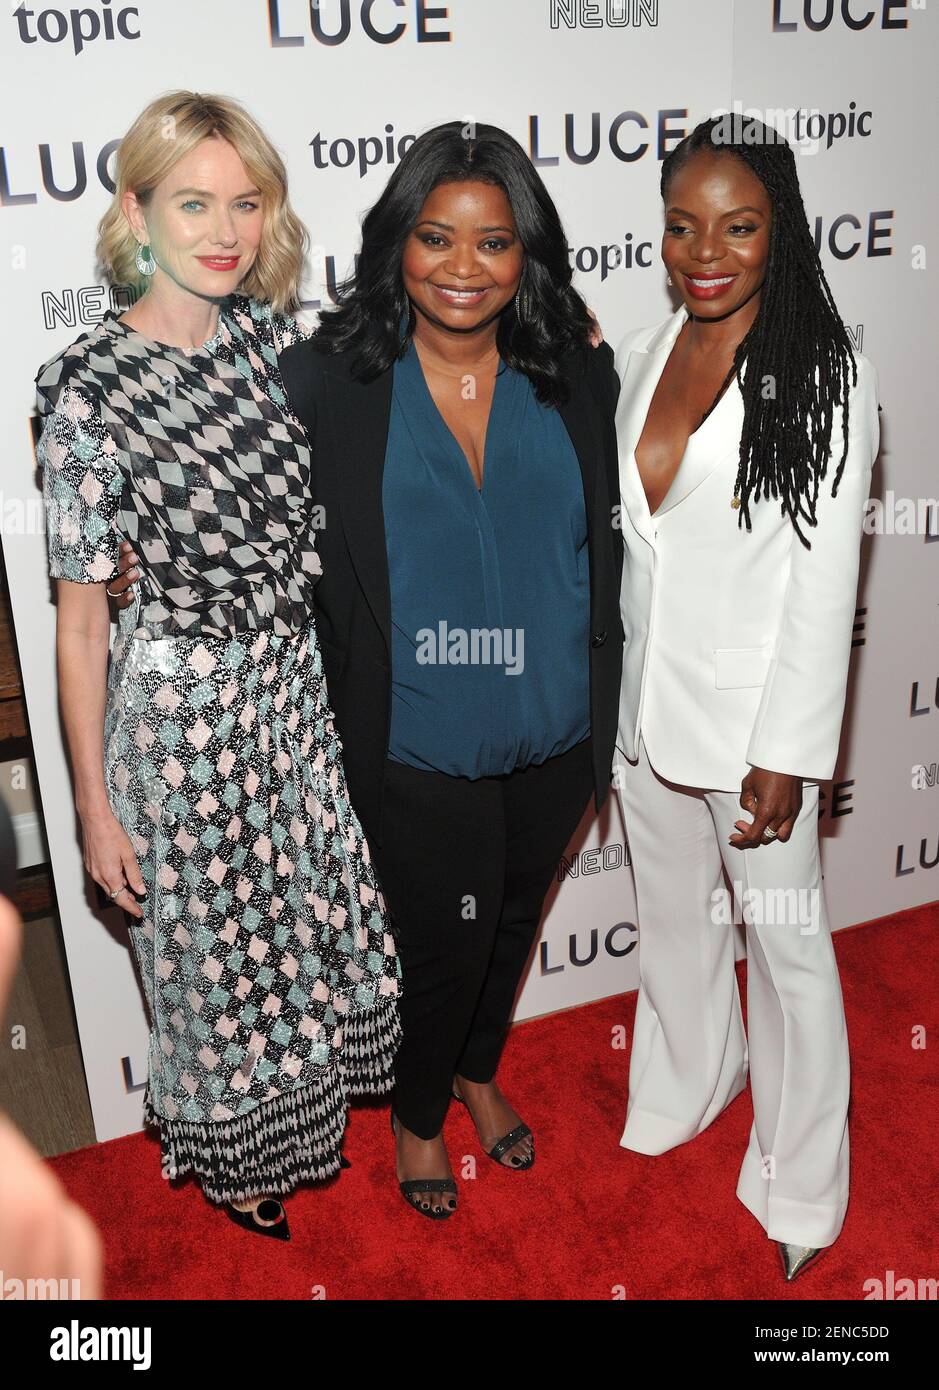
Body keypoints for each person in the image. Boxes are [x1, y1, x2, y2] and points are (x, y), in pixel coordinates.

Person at [35, 91, 401, 1240]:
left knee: (297, 927)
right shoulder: (83, 388)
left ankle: (302, 1125)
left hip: (291, 699)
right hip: (180, 719)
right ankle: (239, 1161)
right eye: (193, 203)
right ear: (136, 210)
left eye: (246, 202)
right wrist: (94, 804)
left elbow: (425, 344)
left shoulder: (271, 344)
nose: (224, 230)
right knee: (210, 961)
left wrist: (557, 332)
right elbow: (83, 618)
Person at [271, 121, 622, 1219]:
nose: (464, 268)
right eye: (436, 237)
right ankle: (419, 1113)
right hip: (417, 742)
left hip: (560, 730)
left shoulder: (579, 373)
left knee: (514, 922)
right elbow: (253, 530)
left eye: (495, 242)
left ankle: (479, 1068)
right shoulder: (327, 382)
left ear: (529, 254)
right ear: (396, 243)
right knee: (446, 941)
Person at [611, 115, 880, 1280]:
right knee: (674, 927)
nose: (703, 250)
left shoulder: (824, 374)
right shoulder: (646, 346)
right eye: (681, 224)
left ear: (782, 231)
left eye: (737, 224)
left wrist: (790, 750)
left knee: (789, 957)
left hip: (753, 732)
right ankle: (689, 1078)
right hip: (645, 715)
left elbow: (825, 589)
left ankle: (803, 1181)